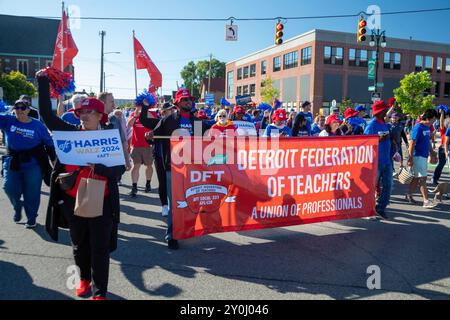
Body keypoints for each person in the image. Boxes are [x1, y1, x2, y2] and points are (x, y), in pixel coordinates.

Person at [37, 72, 125, 300]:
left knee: (100, 248)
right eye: (81, 112)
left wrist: (102, 168)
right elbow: (46, 114)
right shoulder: (70, 133)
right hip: (73, 199)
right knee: (79, 245)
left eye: (89, 112)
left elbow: (119, 170)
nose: (84, 116)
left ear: (100, 116)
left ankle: (100, 291)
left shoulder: (110, 138)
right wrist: (43, 82)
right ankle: (83, 279)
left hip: (102, 200)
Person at [139, 88, 210, 250]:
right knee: (175, 203)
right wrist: (148, 137)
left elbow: (200, 144)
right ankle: (172, 235)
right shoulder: (168, 120)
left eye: (190, 99)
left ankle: (187, 228)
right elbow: (154, 136)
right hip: (173, 167)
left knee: (191, 201)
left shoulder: (197, 122)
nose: (189, 102)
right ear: (177, 103)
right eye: (185, 100)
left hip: (192, 168)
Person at [0, 99, 55, 228]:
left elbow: (49, 144)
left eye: (23, 108)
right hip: (13, 160)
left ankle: (31, 218)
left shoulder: (37, 125)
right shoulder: (8, 120)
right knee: (8, 187)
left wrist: (54, 162)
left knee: (32, 192)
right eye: (17, 108)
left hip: (33, 163)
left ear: (29, 110)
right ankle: (17, 207)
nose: (19, 110)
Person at [364, 100, 393, 219]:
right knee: (371, 187)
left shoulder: (384, 124)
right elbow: (365, 141)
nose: (387, 111)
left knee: (388, 186)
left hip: (387, 161)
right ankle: (368, 210)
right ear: (380, 112)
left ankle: (380, 208)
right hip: (375, 162)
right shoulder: (372, 124)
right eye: (385, 110)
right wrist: (378, 138)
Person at [145, 102, 175, 217]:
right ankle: (164, 205)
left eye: (173, 110)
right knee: (163, 182)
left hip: (176, 158)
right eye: (169, 110)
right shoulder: (157, 122)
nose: (172, 112)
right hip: (160, 157)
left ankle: (175, 205)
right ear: (162, 112)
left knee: (175, 183)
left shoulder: (176, 122)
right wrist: (148, 138)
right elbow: (151, 140)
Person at [407, 109, 438, 208]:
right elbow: (412, 143)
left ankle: (409, 195)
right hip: (417, 156)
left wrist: (432, 152)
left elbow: (427, 141)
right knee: (423, 178)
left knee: (416, 178)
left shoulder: (427, 127)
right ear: (428, 118)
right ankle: (426, 201)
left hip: (423, 156)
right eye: (433, 119)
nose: (434, 121)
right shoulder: (418, 127)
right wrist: (410, 158)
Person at [127, 99, 156, 198]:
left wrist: (146, 112)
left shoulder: (152, 114)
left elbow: (155, 125)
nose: (140, 107)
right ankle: (134, 187)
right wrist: (135, 115)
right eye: (139, 105)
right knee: (136, 166)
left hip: (148, 146)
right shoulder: (134, 115)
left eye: (142, 106)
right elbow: (128, 125)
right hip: (136, 145)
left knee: (149, 166)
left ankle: (148, 183)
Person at [98, 92, 131, 171]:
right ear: (103, 103)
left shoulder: (114, 119)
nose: (114, 104)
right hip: (98, 167)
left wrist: (127, 160)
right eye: (111, 101)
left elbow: (122, 141)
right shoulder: (94, 120)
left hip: (114, 167)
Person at [432, 108, 449, 186]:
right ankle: (435, 178)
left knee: (442, 164)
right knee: (441, 164)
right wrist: (442, 113)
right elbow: (441, 123)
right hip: (443, 149)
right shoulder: (444, 130)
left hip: (447, 149)